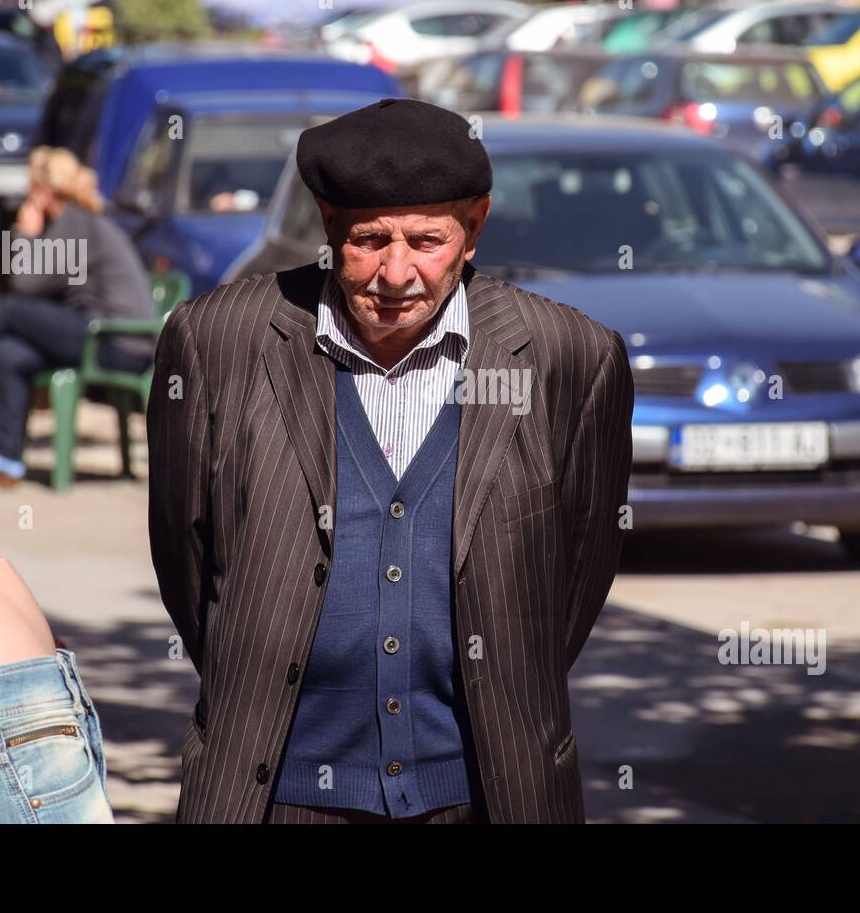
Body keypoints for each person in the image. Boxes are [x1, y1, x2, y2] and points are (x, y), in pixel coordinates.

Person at [147, 98, 635, 824]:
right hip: (273, 796)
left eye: (426, 240)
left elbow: (576, 575)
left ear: (474, 230)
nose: (396, 272)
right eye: (369, 240)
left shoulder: (571, 357)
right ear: (327, 227)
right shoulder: (217, 341)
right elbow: (188, 565)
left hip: (487, 798)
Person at [0, 147, 157, 486]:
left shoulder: (76, 222)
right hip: (103, 336)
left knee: (11, 312)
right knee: (8, 352)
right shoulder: (80, 221)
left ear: (42, 191)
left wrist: (26, 233)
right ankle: (8, 462)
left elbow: (26, 285)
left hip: (118, 342)